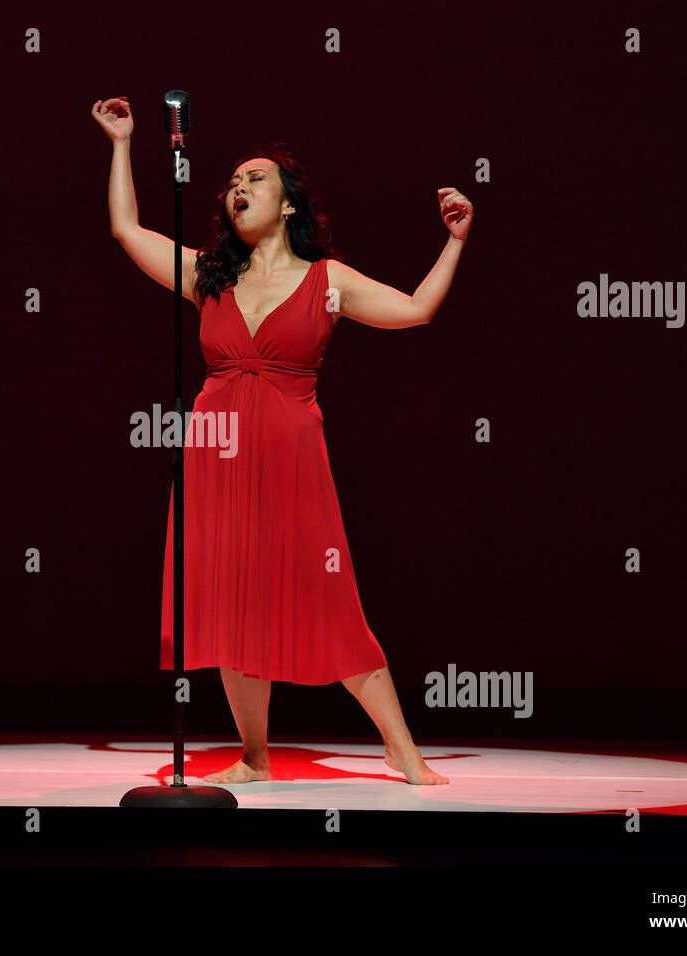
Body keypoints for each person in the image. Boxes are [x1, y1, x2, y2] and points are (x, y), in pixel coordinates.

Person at [93, 95, 471, 786]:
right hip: (216, 457)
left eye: (255, 178)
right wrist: (122, 142)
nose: (239, 187)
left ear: (289, 203)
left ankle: (401, 749)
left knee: (329, 595)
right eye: (233, 181)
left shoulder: (328, 281)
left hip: (293, 459)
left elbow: (416, 311)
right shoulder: (209, 275)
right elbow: (125, 228)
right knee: (229, 600)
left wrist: (453, 242)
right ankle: (255, 757)